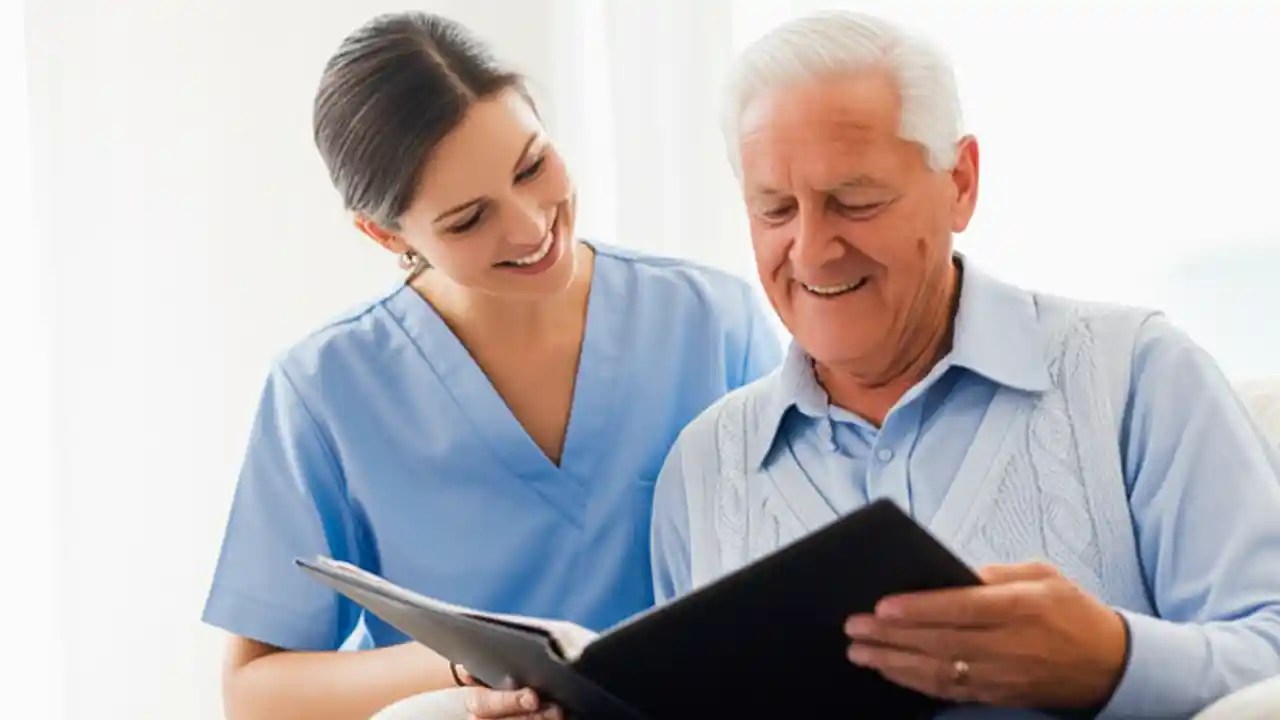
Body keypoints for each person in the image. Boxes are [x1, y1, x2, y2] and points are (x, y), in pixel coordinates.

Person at [651, 10, 1280, 719]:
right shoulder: (704, 467)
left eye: (854, 201)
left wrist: (1111, 661)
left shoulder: (1136, 377)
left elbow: (1273, 650)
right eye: (774, 210)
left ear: (961, 182)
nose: (811, 249)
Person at [200, 11, 782, 720]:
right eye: (469, 219)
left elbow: (799, 588)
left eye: (533, 165)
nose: (532, 226)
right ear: (385, 234)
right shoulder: (326, 389)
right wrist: (459, 668)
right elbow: (255, 693)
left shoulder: (711, 321)